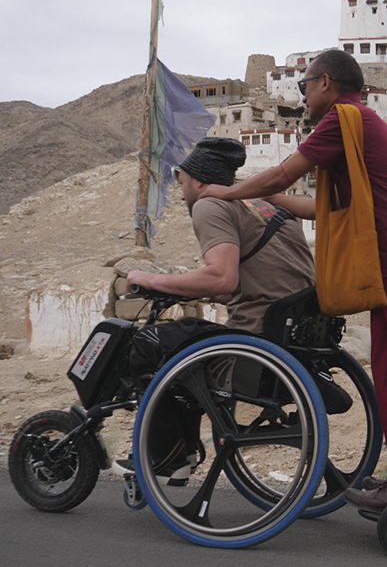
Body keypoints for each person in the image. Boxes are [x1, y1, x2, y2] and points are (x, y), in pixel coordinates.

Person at [199, 49, 387, 511]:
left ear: (325, 83)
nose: (303, 95)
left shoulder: (342, 120)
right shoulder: (363, 125)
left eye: (303, 86)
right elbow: (323, 210)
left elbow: (283, 171)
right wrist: (266, 200)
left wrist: (224, 191)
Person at [112, 136, 316, 483]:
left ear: (200, 181)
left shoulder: (210, 205)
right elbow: (255, 279)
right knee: (182, 339)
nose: (181, 194)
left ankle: (166, 457)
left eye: (182, 184)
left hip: (258, 342)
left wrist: (152, 279)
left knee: (150, 344)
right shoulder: (266, 206)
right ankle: (184, 450)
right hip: (299, 338)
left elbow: (222, 278)